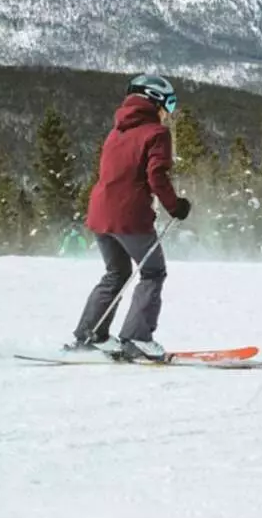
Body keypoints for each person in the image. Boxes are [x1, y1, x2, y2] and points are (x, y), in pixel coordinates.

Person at [68, 74, 192, 361]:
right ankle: (136, 339)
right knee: (152, 272)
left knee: (116, 273)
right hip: (129, 216)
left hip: (100, 214)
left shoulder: (116, 131)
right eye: (168, 105)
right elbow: (156, 176)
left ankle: (90, 335)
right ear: (155, 100)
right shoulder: (156, 133)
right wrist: (175, 206)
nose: (168, 112)